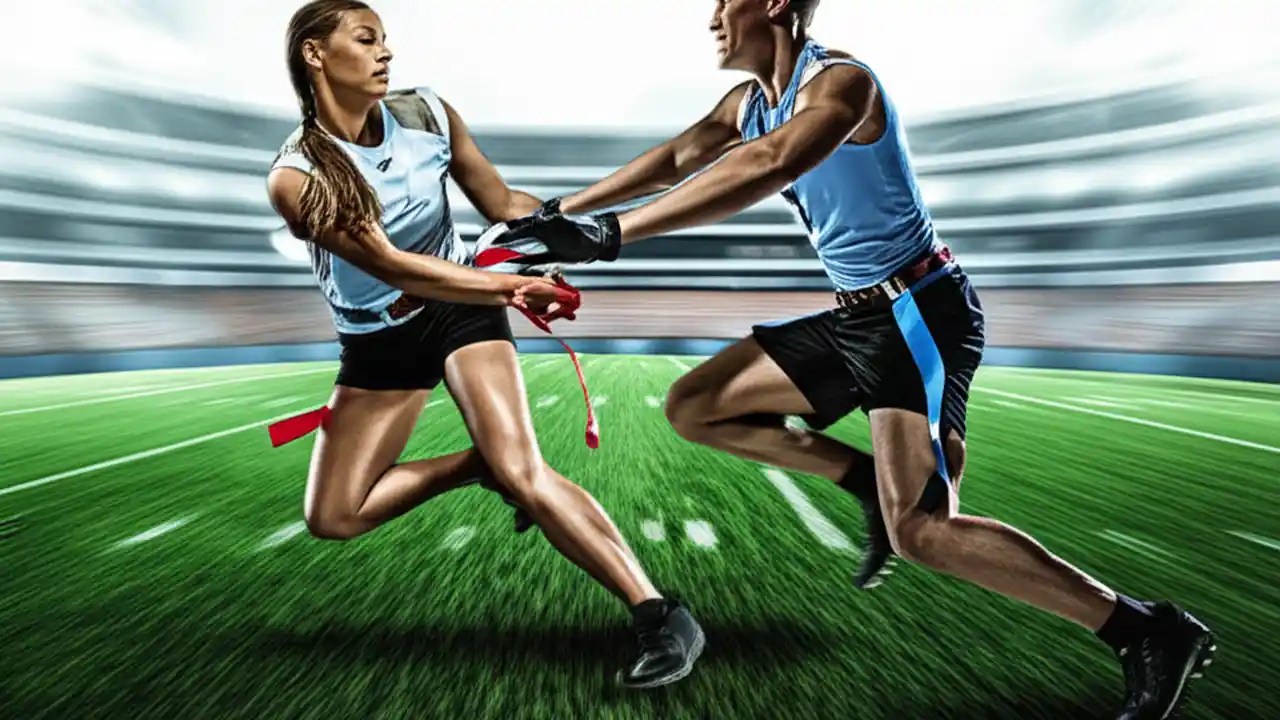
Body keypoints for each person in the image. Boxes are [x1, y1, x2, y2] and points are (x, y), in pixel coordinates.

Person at [473, 0, 1215, 716]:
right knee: (696, 406)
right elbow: (677, 156)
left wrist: (611, 236)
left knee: (923, 534)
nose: (710, 16)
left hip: (918, 314)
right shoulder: (747, 102)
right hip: (860, 315)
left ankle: (1144, 630)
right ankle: (860, 478)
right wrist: (561, 214)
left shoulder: (843, 83)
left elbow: (767, 165)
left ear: (771, 3)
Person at [264, 0, 704, 690]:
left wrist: (567, 229)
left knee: (528, 471)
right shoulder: (297, 178)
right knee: (334, 516)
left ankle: (660, 616)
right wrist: (510, 290)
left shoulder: (428, 114)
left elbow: (500, 201)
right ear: (315, 55)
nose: (386, 53)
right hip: (380, 341)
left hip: (460, 313)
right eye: (366, 39)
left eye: (386, 40)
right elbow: (391, 266)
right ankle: (479, 465)